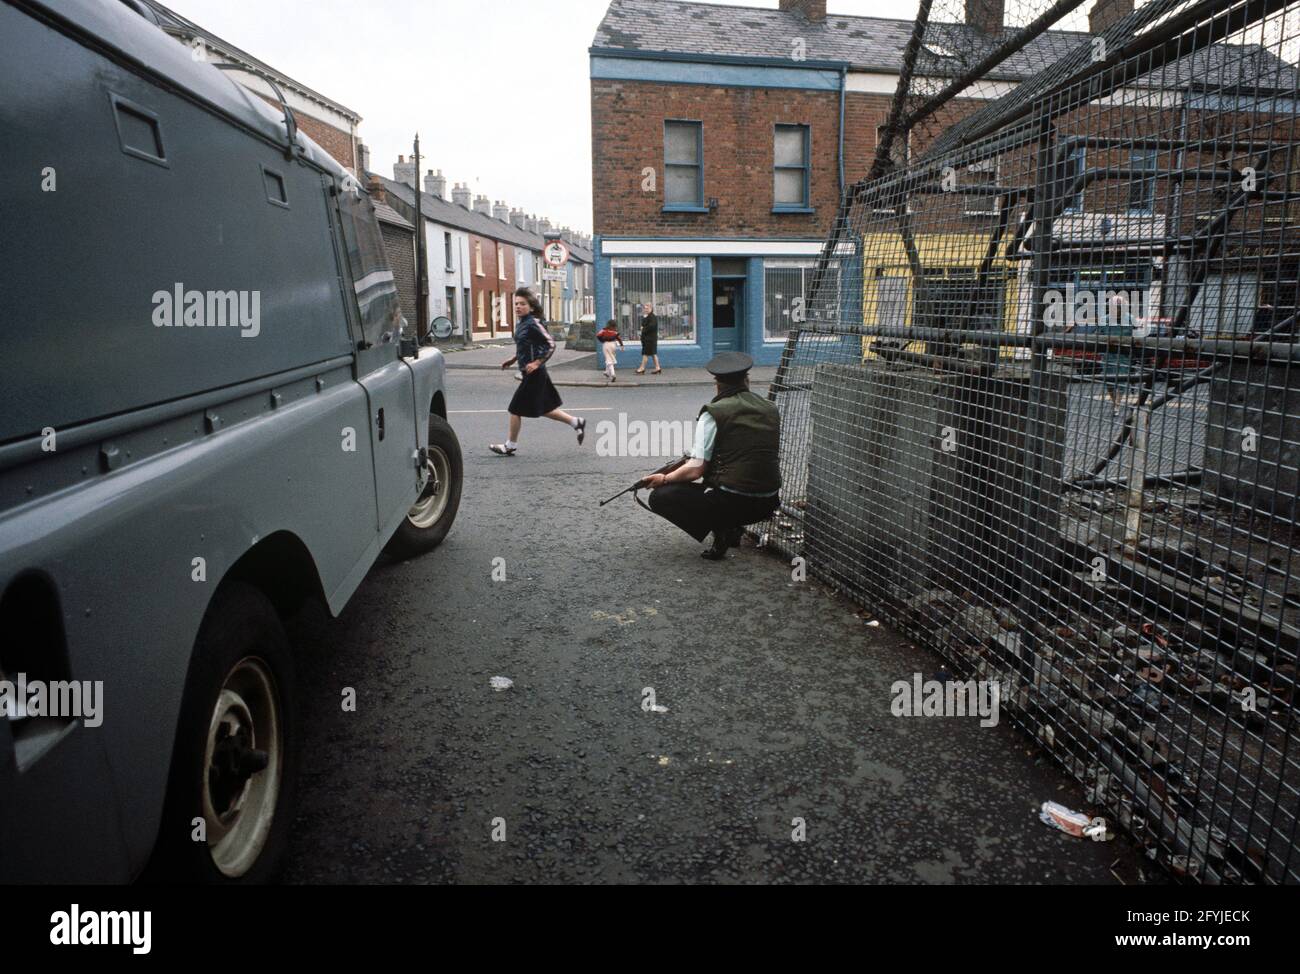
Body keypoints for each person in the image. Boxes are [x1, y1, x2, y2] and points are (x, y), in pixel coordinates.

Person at [642, 352, 781, 560]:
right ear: (747, 380)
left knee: (660, 497)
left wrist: (664, 478)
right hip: (768, 502)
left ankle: (722, 529)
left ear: (718, 384)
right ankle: (732, 528)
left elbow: (695, 469)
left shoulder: (713, 413)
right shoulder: (770, 408)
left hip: (733, 503)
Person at [489, 288, 586, 456]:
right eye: (516, 304)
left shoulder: (533, 323)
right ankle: (576, 422)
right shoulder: (522, 323)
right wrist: (513, 359)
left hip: (535, 373)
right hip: (530, 372)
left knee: (515, 408)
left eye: (522, 304)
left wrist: (537, 362)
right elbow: (525, 346)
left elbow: (551, 344)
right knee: (544, 408)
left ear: (531, 307)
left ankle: (510, 445)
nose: (518, 307)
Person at [635, 303, 661, 374]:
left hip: (650, 339)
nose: (645, 309)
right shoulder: (647, 317)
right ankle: (657, 367)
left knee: (645, 354)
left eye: (647, 308)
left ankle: (642, 368)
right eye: (645, 308)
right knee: (653, 353)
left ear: (651, 308)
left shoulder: (652, 317)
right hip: (649, 339)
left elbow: (651, 326)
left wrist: (643, 329)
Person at [597, 318, 624, 383]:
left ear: (608, 324)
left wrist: (602, 340)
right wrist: (622, 345)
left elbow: (598, 335)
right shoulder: (615, 332)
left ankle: (613, 374)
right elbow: (619, 339)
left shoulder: (604, 330)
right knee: (610, 358)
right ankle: (606, 372)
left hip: (606, 345)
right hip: (613, 345)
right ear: (614, 325)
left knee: (609, 360)